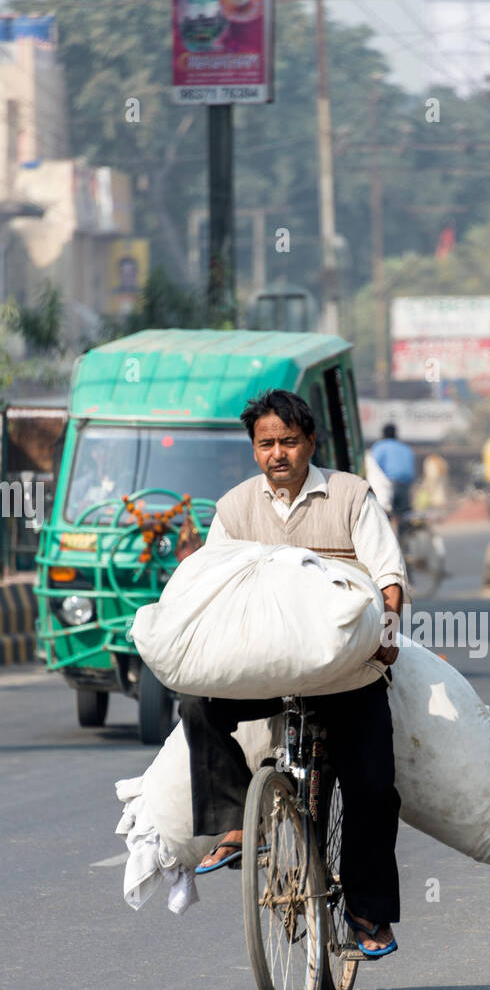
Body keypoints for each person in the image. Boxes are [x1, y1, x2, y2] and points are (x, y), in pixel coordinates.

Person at [179, 389, 409, 959]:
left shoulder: (352, 495)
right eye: (266, 444)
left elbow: (388, 575)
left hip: (346, 674)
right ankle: (237, 821)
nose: (277, 453)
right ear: (254, 450)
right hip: (265, 672)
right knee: (194, 704)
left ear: (310, 443)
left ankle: (365, 913)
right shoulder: (233, 508)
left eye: (288, 441)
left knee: (374, 790)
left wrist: (386, 638)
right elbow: (211, 585)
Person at [369, 422, 416, 521]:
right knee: (402, 516)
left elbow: (373, 467)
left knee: (385, 516)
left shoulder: (379, 446)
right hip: (406, 486)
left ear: (383, 434)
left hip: (388, 486)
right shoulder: (405, 448)